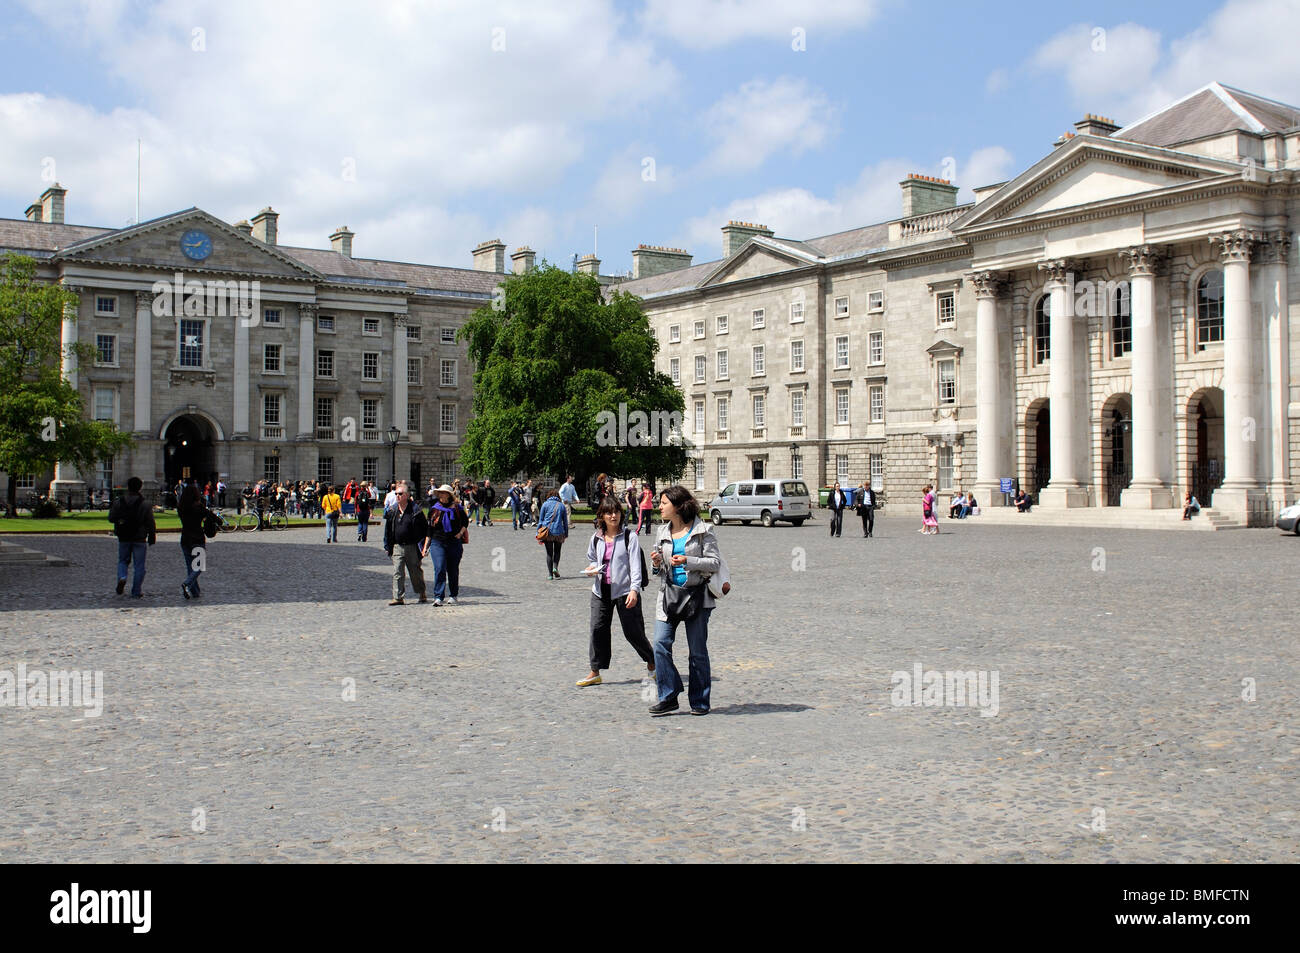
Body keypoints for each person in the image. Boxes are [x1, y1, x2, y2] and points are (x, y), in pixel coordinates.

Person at [648, 485, 722, 716]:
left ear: (678, 506)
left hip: (696, 596)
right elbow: (657, 572)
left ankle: (700, 701)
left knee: (697, 651)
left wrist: (688, 560)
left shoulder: (703, 530)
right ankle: (669, 695)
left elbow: (714, 563)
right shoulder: (662, 532)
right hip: (669, 595)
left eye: (663, 503)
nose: (659, 507)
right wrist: (657, 563)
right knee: (660, 644)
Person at [576, 498, 655, 687]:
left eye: (617, 512)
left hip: (625, 591)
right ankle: (595, 671)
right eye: (609, 513)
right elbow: (593, 559)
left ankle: (653, 663)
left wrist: (634, 590)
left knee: (633, 632)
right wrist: (592, 569)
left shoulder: (630, 537)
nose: (614, 516)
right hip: (600, 590)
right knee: (597, 629)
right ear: (602, 516)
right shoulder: (596, 537)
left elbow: (635, 566)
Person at [109, 476, 156, 598]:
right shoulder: (145, 504)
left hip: (124, 536)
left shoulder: (119, 502)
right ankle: (136, 590)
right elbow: (150, 522)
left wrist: (121, 519)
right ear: (140, 487)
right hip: (139, 537)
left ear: (128, 487)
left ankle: (122, 576)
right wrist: (152, 536)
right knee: (139, 565)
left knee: (123, 561)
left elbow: (111, 518)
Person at [383, 481, 428, 605]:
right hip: (397, 546)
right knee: (397, 571)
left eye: (400, 494)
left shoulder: (415, 511)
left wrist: (424, 545)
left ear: (407, 495)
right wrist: (387, 545)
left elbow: (424, 528)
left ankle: (421, 592)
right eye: (396, 494)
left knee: (415, 572)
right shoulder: (392, 511)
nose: (397, 496)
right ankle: (398, 597)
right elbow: (388, 529)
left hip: (412, 546)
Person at [424, 484, 468, 606]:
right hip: (437, 542)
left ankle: (453, 595)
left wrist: (460, 533)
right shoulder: (434, 509)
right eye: (440, 493)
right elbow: (429, 529)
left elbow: (465, 522)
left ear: (449, 495)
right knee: (439, 568)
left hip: (454, 542)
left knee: (453, 570)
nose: (441, 495)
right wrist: (426, 546)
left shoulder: (457, 508)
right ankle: (438, 596)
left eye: (444, 493)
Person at [178, 481, 207, 600]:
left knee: (190, 566)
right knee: (199, 566)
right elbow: (214, 518)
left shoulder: (181, 507)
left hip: (185, 539)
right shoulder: (199, 508)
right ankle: (187, 583)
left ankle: (195, 592)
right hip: (197, 539)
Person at [537, 489, 569, 579]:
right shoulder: (561, 506)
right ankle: (555, 567)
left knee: (549, 553)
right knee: (557, 551)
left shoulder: (545, 504)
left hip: (548, 532)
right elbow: (565, 522)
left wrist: (538, 532)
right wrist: (566, 533)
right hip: (559, 532)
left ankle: (550, 575)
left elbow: (541, 520)